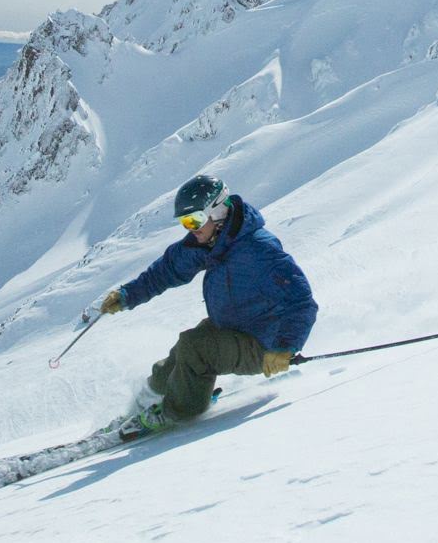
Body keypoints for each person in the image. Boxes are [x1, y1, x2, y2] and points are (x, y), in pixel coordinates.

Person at [91, 174, 317, 433]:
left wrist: (285, 346)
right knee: (178, 357)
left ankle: (175, 412)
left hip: (264, 345)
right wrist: (127, 295)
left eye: (195, 220)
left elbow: (301, 302)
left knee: (196, 348)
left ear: (218, 212)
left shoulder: (259, 251)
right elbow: (165, 271)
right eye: (185, 222)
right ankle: (146, 402)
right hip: (231, 327)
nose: (191, 228)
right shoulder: (209, 243)